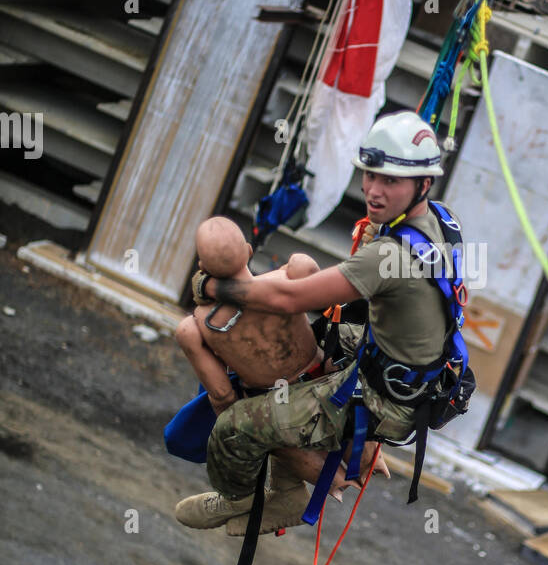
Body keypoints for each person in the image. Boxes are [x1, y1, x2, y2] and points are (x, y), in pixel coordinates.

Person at [175, 111, 462, 530]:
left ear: (423, 183)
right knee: (305, 347)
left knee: (237, 426)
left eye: (390, 181)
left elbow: (289, 299)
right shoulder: (441, 220)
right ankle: (294, 471)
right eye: (370, 175)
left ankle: (243, 497)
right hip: (416, 370)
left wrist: (211, 288)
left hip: (385, 395)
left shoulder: (388, 257)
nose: (374, 191)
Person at [174, 217, 385, 534]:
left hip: (276, 404)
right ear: (248, 251)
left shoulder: (194, 329)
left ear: (201, 265)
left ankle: (241, 497)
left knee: (255, 422)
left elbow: (222, 396)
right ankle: (325, 480)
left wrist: (241, 437)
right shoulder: (293, 273)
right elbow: (329, 296)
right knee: (289, 417)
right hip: (320, 381)